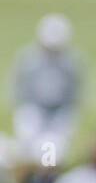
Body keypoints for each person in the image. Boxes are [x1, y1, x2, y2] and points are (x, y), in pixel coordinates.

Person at [11, 13, 81, 164]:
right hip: (34, 109)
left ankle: (49, 171)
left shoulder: (72, 63)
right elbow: (19, 91)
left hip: (59, 113)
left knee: (54, 149)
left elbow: (74, 96)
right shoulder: (28, 60)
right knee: (28, 137)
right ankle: (29, 168)